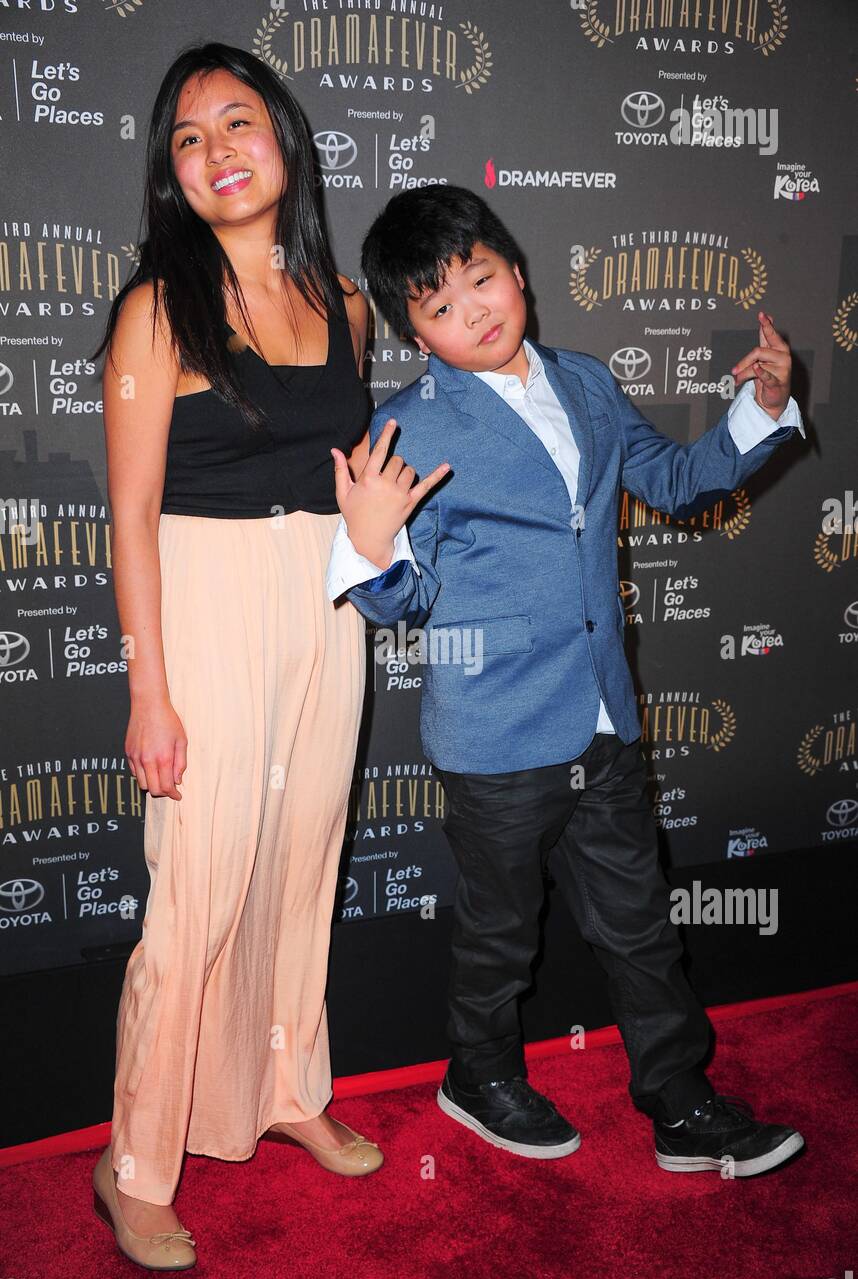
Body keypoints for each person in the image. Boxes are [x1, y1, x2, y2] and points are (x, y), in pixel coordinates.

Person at [325, 184, 807, 1179]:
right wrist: (371, 549)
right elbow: (406, 604)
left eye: (483, 278)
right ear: (413, 329)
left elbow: (675, 480)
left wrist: (757, 414)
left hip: (603, 719)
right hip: (497, 739)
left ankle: (680, 1098)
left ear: (518, 269)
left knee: (642, 925)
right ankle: (480, 1073)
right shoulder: (409, 431)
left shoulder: (585, 382)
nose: (475, 311)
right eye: (441, 305)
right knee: (501, 933)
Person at [89, 42, 383, 1273]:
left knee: (304, 862)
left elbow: (348, 479)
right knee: (196, 893)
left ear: (286, 142)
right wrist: (149, 687)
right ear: (172, 174)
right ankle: (137, 1162)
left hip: (328, 603)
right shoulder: (157, 311)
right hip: (204, 601)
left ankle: (286, 1086)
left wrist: (370, 537)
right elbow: (132, 515)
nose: (216, 151)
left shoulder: (346, 302)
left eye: (238, 123)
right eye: (189, 138)